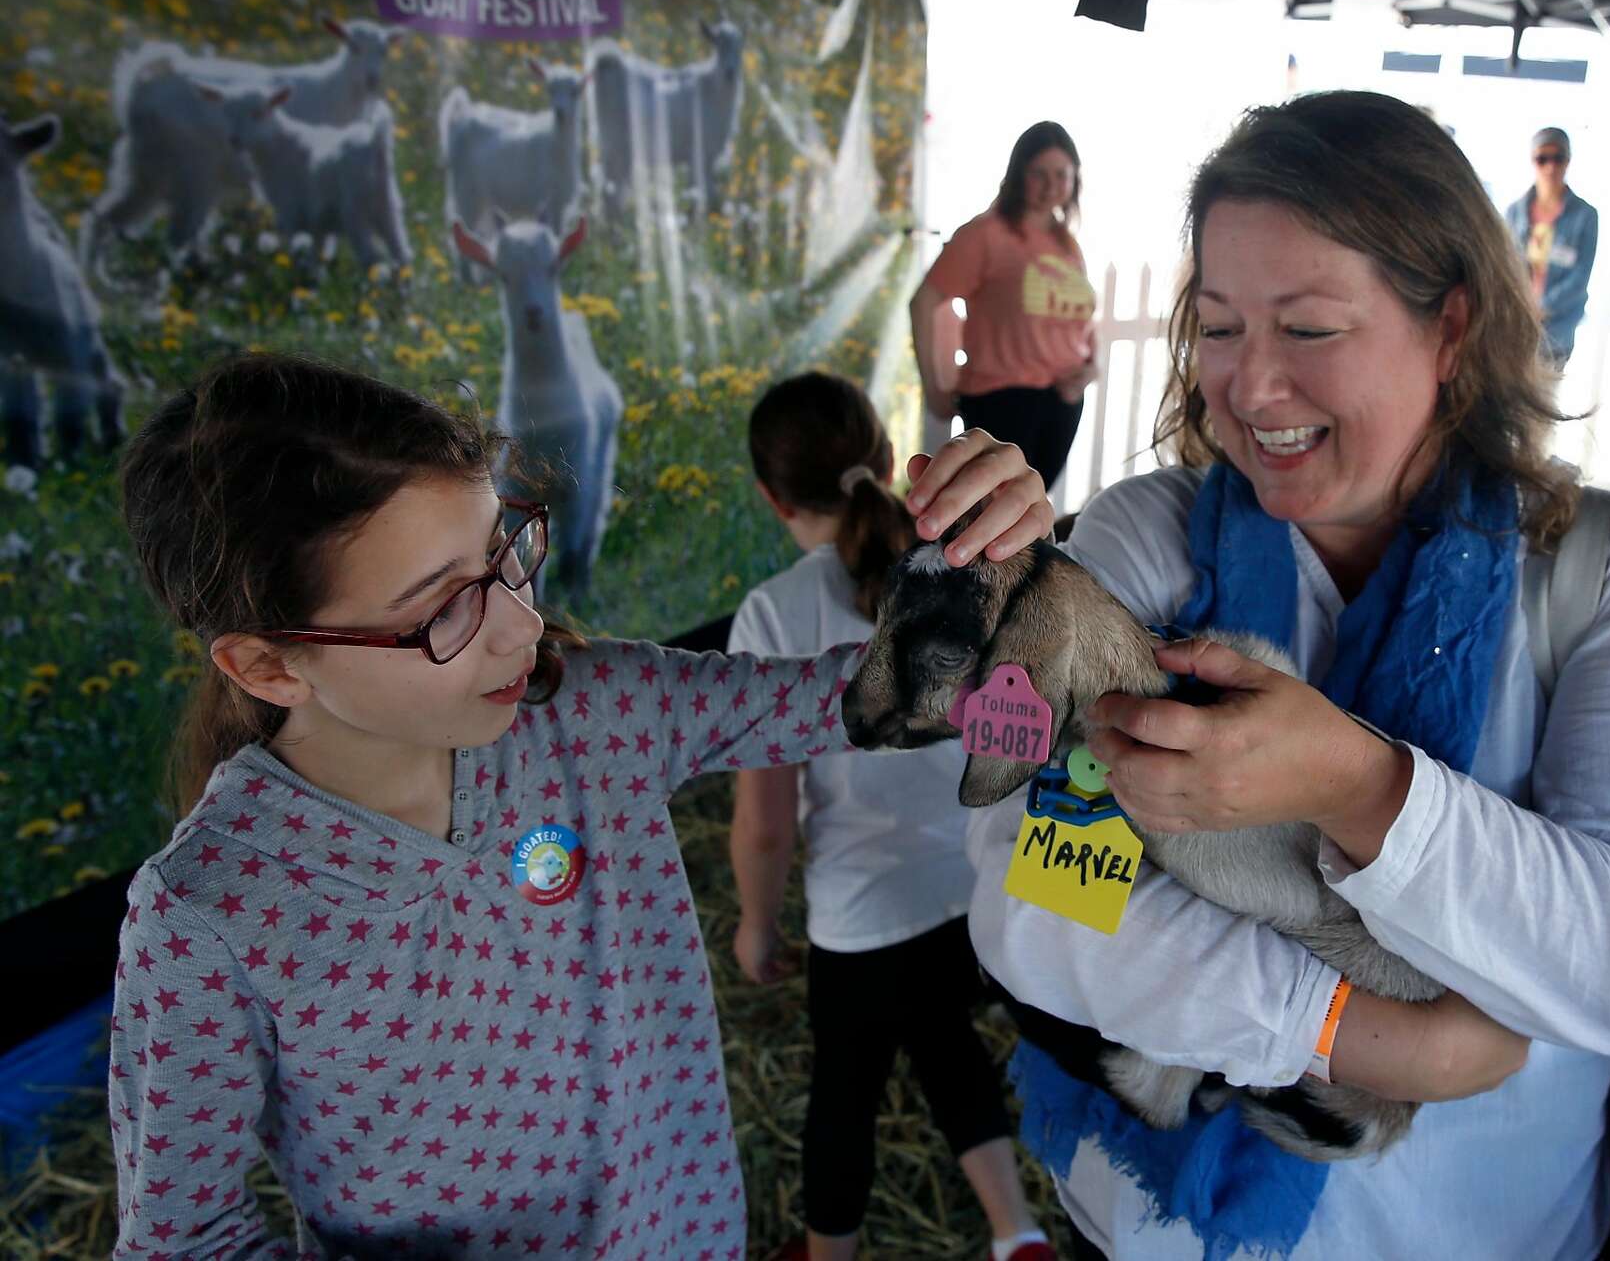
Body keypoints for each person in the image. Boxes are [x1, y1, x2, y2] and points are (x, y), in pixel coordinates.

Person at [964, 92, 1610, 1260]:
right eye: (1222, 326)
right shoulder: (1137, 546)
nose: (1250, 384)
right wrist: (1358, 1033)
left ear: (1452, 330)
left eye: (1311, 328)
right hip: (1142, 1228)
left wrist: (1363, 789)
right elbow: (1026, 889)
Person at [106, 353, 1053, 1258]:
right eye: (443, 610)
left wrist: (1004, 565)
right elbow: (184, 1238)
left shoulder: (589, 713)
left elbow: (878, 693)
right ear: (268, 666)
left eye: (501, 552)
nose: (523, 623)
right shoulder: (207, 921)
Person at [728, 372, 1057, 1261]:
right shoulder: (960, 564)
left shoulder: (770, 613)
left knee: (843, 1094)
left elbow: (764, 820)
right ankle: (1017, 1229)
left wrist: (756, 925)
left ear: (769, 495)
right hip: (976, 893)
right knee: (946, 1041)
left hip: (861, 918)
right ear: (885, 457)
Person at [911, 121, 1100, 491]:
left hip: (1062, 401)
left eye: (1061, 175)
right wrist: (933, 386)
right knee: (996, 520)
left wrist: (1091, 368)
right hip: (1001, 401)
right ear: (1018, 174)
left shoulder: (1067, 244)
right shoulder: (985, 234)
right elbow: (923, 302)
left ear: (1075, 178)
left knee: (1032, 512)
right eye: (1039, 174)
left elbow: (1082, 323)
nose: (1051, 186)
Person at [1503, 126, 1598, 370]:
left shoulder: (1585, 215)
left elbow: (1579, 278)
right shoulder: (1514, 212)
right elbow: (1503, 266)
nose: (1550, 167)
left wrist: (1541, 307)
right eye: (1542, 158)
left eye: (1558, 158)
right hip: (1513, 326)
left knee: (1542, 400)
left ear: (1568, 161)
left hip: (1557, 331)